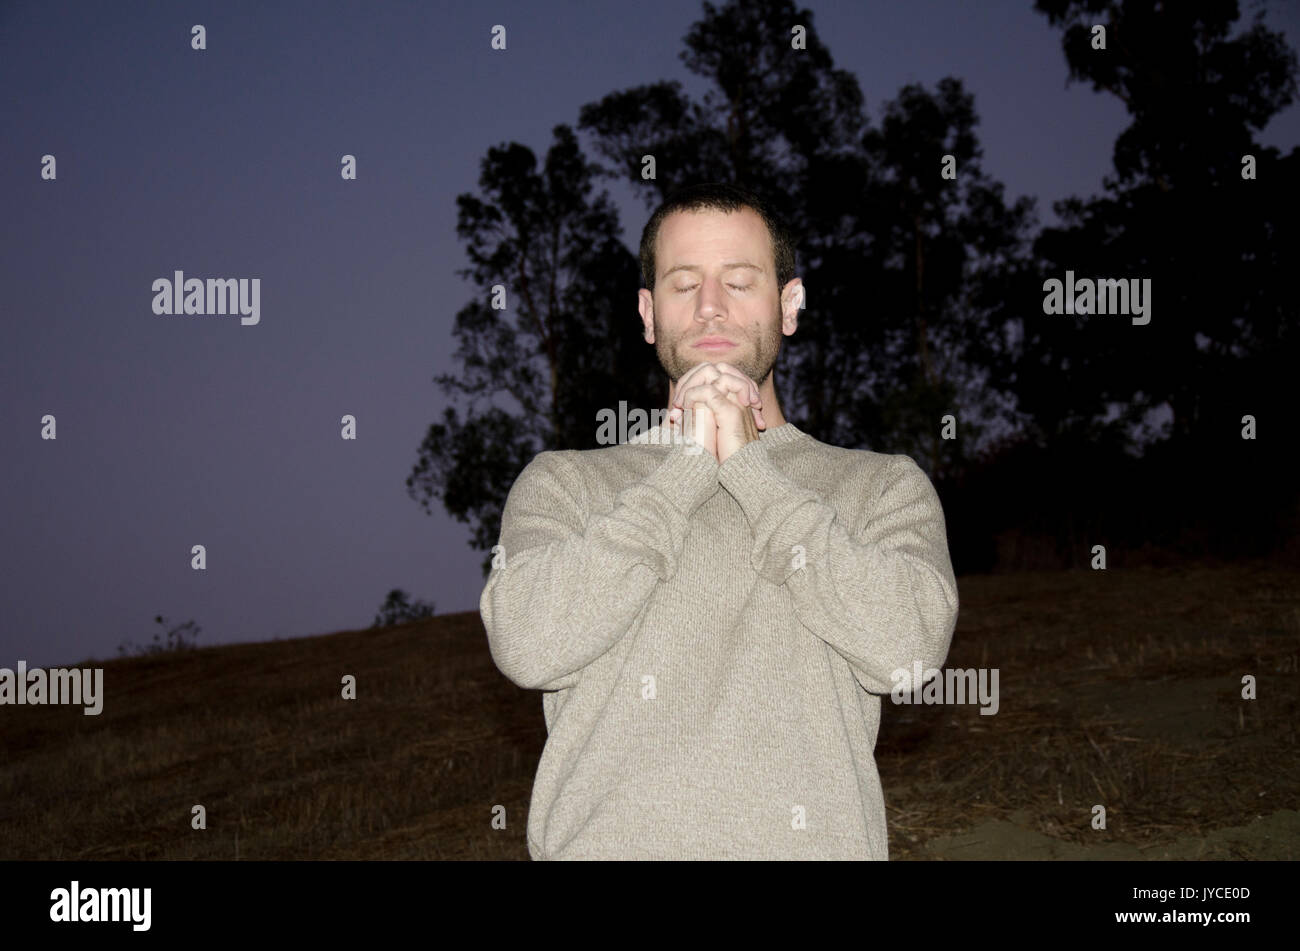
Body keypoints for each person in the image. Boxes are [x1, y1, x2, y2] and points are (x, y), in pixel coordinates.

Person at [480, 181, 958, 859]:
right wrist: (685, 469)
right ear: (648, 314)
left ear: (788, 305)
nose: (710, 305)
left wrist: (752, 472)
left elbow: (906, 653)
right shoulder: (564, 483)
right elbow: (527, 643)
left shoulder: (880, 487)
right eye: (683, 284)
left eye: (739, 281)